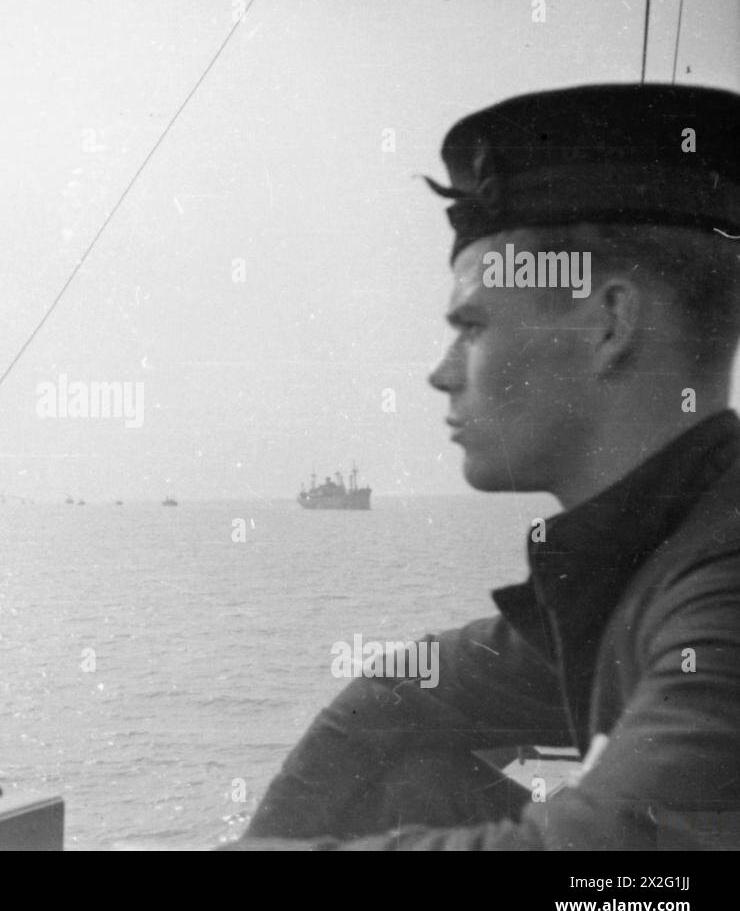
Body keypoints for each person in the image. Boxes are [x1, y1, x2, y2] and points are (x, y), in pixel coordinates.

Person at [231, 83, 740, 849]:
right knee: (409, 778)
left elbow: (613, 872)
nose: (441, 373)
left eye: (471, 326)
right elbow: (396, 691)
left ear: (609, 324)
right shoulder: (662, 550)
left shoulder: (718, 586)